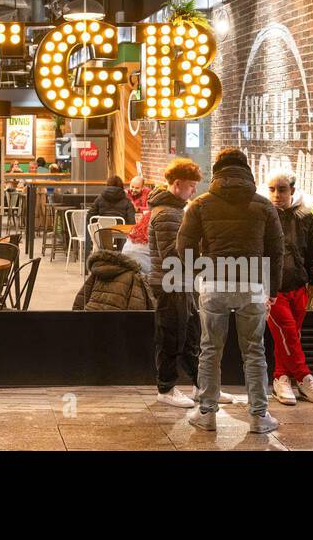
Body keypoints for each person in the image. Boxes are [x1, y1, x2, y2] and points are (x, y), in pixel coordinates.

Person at [176, 148, 284, 434]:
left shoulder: (200, 204)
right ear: (246, 171)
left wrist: (198, 275)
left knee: (210, 349)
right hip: (252, 285)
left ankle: (207, 414)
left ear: (217, 172)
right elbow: (276, 251)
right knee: (254, 351)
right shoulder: (263, 206)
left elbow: (183, 246)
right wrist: (272, 290)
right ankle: (259, 417)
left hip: (214, 283)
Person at [146, 158, 212, 408]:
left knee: (191, 335)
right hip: (169, 283)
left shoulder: (173, 211)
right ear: (177, 184)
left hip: (179, 283)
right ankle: (166, 388)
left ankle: (200, 386)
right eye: (191, 186)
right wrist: (202, 262)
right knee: (171, 335)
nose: (194, 191)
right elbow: (171, 256)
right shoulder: (166, 214)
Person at [265, 172, 313, 406]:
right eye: (272, 189)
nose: (276, 194)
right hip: (272, 288)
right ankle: (305, 378)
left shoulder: (305, 217)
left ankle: (281, 378)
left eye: (281, 189)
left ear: (292, 190)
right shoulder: (265, 215)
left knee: (290, 336)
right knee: (288, 333)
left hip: (298, 285)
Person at [72, 247, 153, 311]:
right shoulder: (135, 277)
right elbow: (136, 310)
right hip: (116, 326)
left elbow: (78, 304)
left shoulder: (96, 272)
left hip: (89, 324)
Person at [87, 174, 135, 254]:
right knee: (123, 229)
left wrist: (99, 222)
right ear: (122, 186)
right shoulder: (127, 201)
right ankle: (121, 255)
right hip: (120, 232)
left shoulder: (100, 198)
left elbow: (90, 216)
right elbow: (132, 221)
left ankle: (103, 253)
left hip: (103, 230)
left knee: (102, 232)